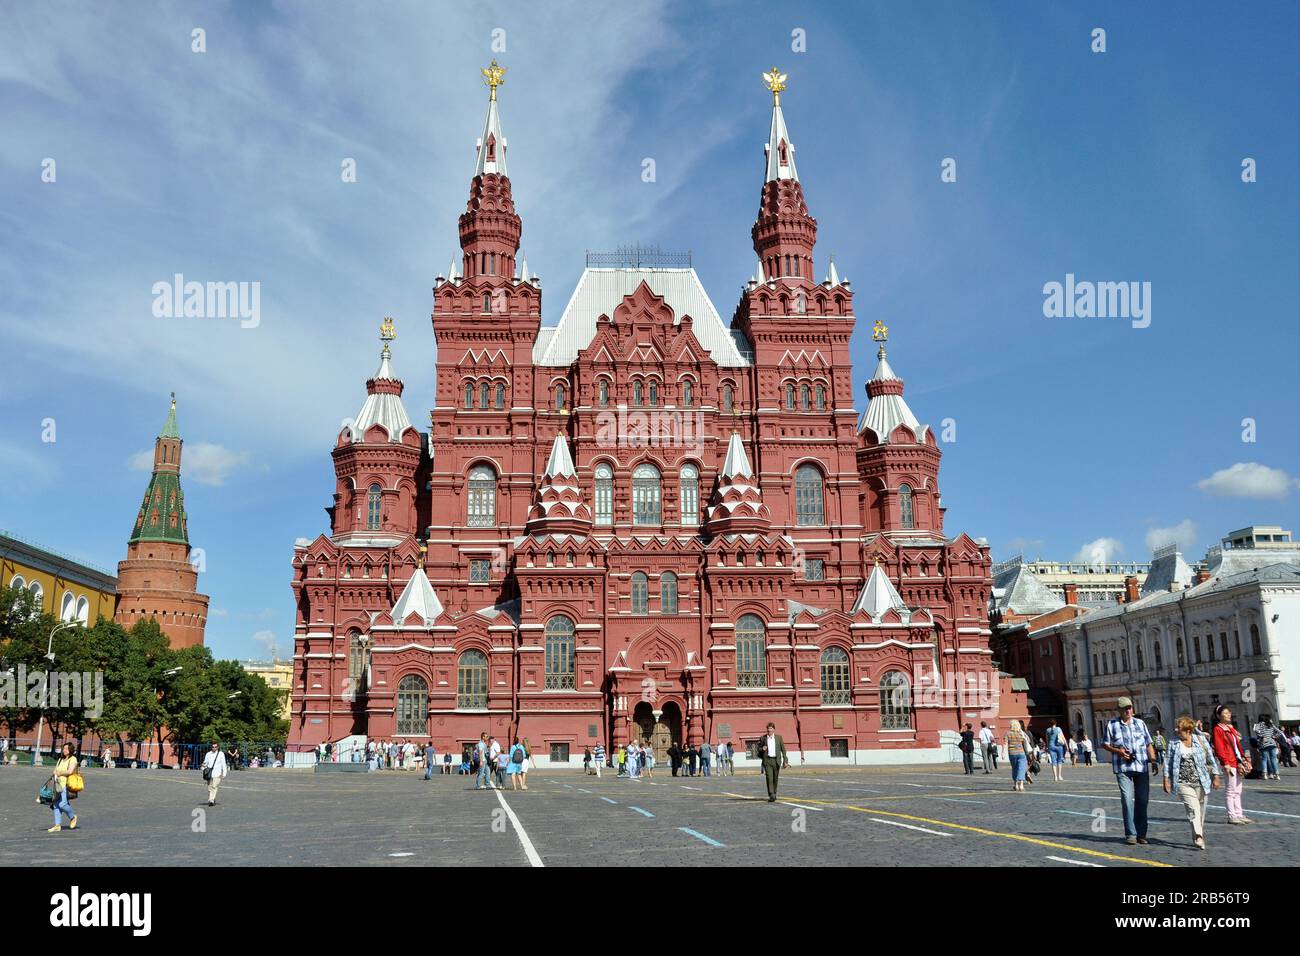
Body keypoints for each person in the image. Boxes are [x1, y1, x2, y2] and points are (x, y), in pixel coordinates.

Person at [1101, 696, 1156, 845]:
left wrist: (1153, 760)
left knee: (1142, 801)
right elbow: (1105, 744)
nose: (1128, 710)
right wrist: (1118, 751)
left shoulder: (1140, 723)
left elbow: (1148, 743)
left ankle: (1141, 834)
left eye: (1129, 707)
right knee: (1127, 800)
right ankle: (1131, 834)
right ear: (1119, 710)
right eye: (1125, 708)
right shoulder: (1112, 725)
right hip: (1122, 767)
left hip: (1141, 766)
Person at [1163, 715, 1221, 850]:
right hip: (1182, 782)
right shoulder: (1173, 743)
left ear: (1188, 730)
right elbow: (1167, 762)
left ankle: (1196, 834)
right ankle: (1199, 836)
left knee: (1199, 811)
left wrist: (1215, 776)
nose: (1176, 730)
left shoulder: (1200, 740)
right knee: (1192, 807)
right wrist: (1166, 779)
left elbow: (1210, 759)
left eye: (1179, 728)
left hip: (1201, 781)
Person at [1212, 706, 1252, 824]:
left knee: (1238, 790)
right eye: (1225, 713)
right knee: (1230, 789)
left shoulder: (1230, 728)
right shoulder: (1218, 729)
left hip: (1237, 761)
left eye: (1229, 712)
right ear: (1219, 716)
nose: (1229, 714)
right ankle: (1231, 815)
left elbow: (1237, 746)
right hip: (1229, 762)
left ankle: (1239, 814)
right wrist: (1225, 763)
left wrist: (1243, 759)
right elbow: (1219, 748)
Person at [47, 743, 79, 832]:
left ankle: (73, 817)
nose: (64, 750)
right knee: (56, 805)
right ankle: (57, 825)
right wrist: (55, 773)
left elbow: (70, 771)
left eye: (66, 749)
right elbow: (55, 770)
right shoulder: (61, 759)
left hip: (66, 784)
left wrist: (60, 773)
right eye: (64, 748)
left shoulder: (73, 759)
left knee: (63, 804)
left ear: (70, 750)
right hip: (57, 784)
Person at [758, 723, 789, 802]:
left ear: (774, 729)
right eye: (768, 728)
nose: (769, 730)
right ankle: (771, 794)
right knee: (769, 778)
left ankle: (774, 793)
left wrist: (785, 761)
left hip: (776, 760)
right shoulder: (763, 738)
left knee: (775, 778)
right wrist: (762, 749)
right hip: (767, 760)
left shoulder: (779, 738)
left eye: (771, 728)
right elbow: (758, 748)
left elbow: (783, 750)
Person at [1006, 720, 1032, 792]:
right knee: (1021, 769)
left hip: (1012, 753)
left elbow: (1005, 743)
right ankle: (1021, 785)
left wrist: (1002, 752)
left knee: (1014, 768)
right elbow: (1027, 741)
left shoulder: (1008, 733)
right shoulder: (1021, 733)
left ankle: (1016, 785)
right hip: (1021, 753)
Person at [201, 741, 228, 807]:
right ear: (211, 747)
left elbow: (223, 764)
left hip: (217, 773)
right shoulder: (208, 754)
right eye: (213, 747)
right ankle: (212, 798)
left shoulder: (221, 754)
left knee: (214, 786)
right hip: (209, 774)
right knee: (210, 788)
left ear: (218, 747)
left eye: (215, 747)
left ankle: (211, 800)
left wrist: (224, 773)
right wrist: (203, 768)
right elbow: (205, 762)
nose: (214, 748)